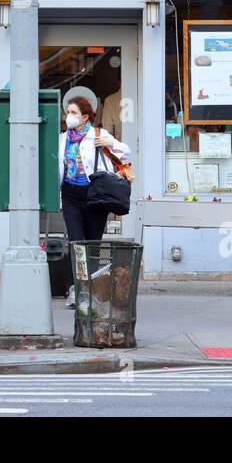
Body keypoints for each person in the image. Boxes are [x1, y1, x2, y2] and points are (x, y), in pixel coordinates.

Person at [58, 95, 131, 309]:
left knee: (93, 245)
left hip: (95, 195)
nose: (69, 116)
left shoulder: (98, 135)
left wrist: (111, 143)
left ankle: (92, 289)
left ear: (85, 117)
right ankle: (76, 289)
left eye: (73, 113)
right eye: (68, 112)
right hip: (70, 194)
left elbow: (125, 154)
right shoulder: (64, 138)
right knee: (76, 243)